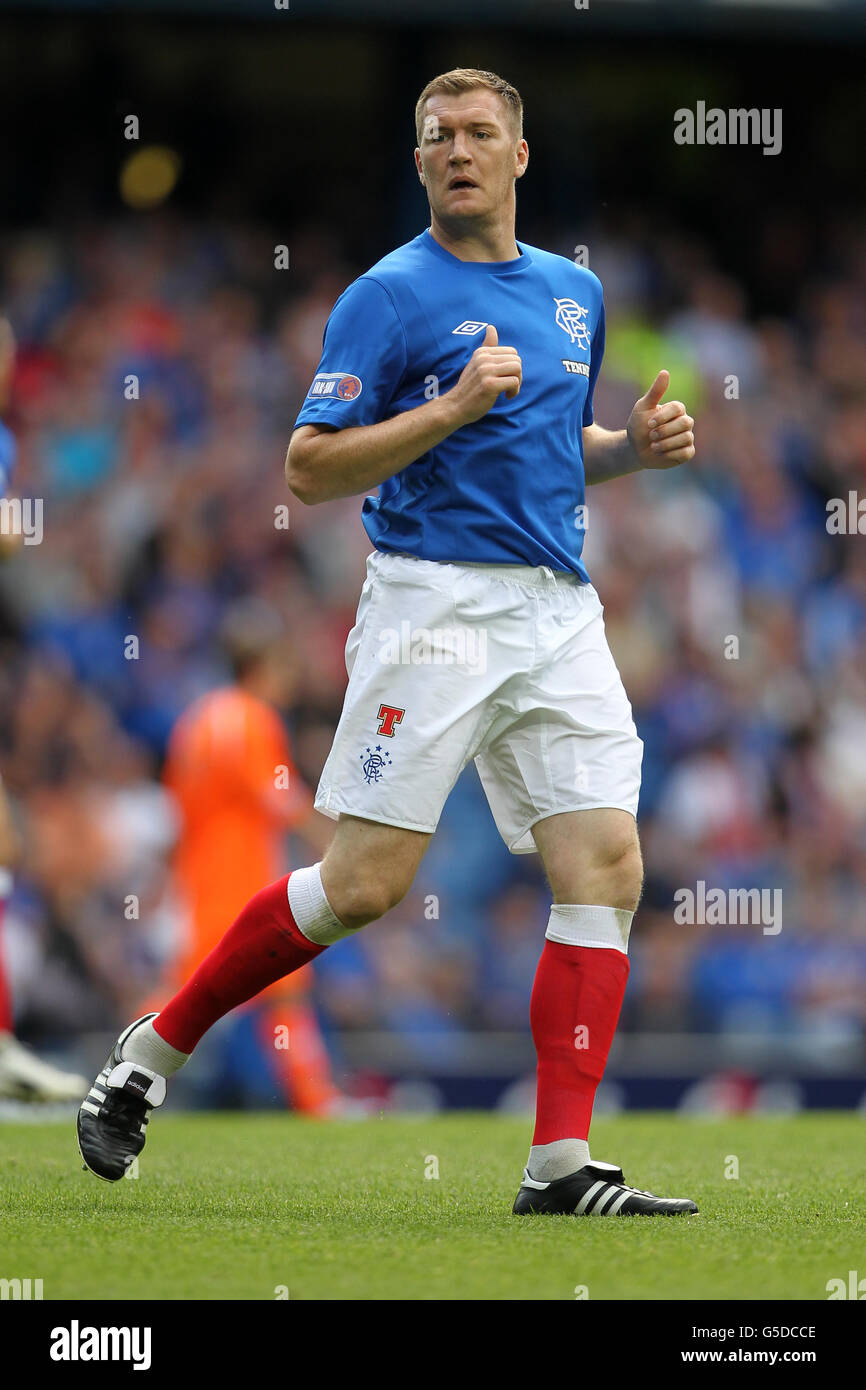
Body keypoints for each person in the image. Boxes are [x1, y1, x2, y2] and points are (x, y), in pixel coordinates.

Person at [78, 68, 698, 1215]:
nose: (457, 150)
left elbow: (558, 449)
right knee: (362, 886)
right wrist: (448, 408)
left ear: (518, 156)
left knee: (606, 862)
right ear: (417, 165)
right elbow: (308, 468)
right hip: (433, 608)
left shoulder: (574, 293)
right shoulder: (387, 296)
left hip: (557, 605)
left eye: (477, 133)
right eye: (436, 137)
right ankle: (154, 1047)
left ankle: (557, 1164)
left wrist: (632, 450)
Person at [155, 600, 341, 1114]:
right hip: (239, 888)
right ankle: (118, 1073)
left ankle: (317, 1100)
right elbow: (283, 802)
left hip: (198, 887)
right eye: (285, 667)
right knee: (191, 997)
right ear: (265, 666)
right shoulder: (252, 720)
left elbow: (177, 811)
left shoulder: (196, 721)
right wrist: (339, 849)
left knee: (239, 992)